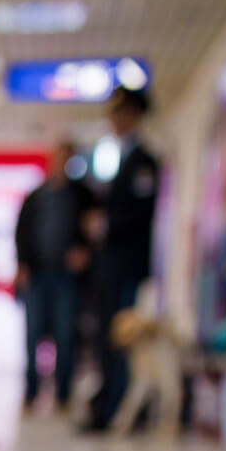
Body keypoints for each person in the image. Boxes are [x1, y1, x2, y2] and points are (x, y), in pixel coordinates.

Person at [85, 85, 161, 431]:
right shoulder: (125, 159)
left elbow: (141, 214)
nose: (114, 120)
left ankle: (114, 409)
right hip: (113, 266)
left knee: (120, 340)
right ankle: (107, 404)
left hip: (127, 266)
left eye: (120, 113)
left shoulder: (143, 160)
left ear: (133, 115)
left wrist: (106, 223)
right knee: (107, 338)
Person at [15, 141, 96, 410]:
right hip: (38, 274)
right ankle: (31, 392)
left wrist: (84, 251)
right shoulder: (36, 197)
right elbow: (21, 233)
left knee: (65, 334)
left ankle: (62, 395)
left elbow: (94, 231)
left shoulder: (82, 196)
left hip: (66, 276)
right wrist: (23, 264)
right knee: (32, 334)